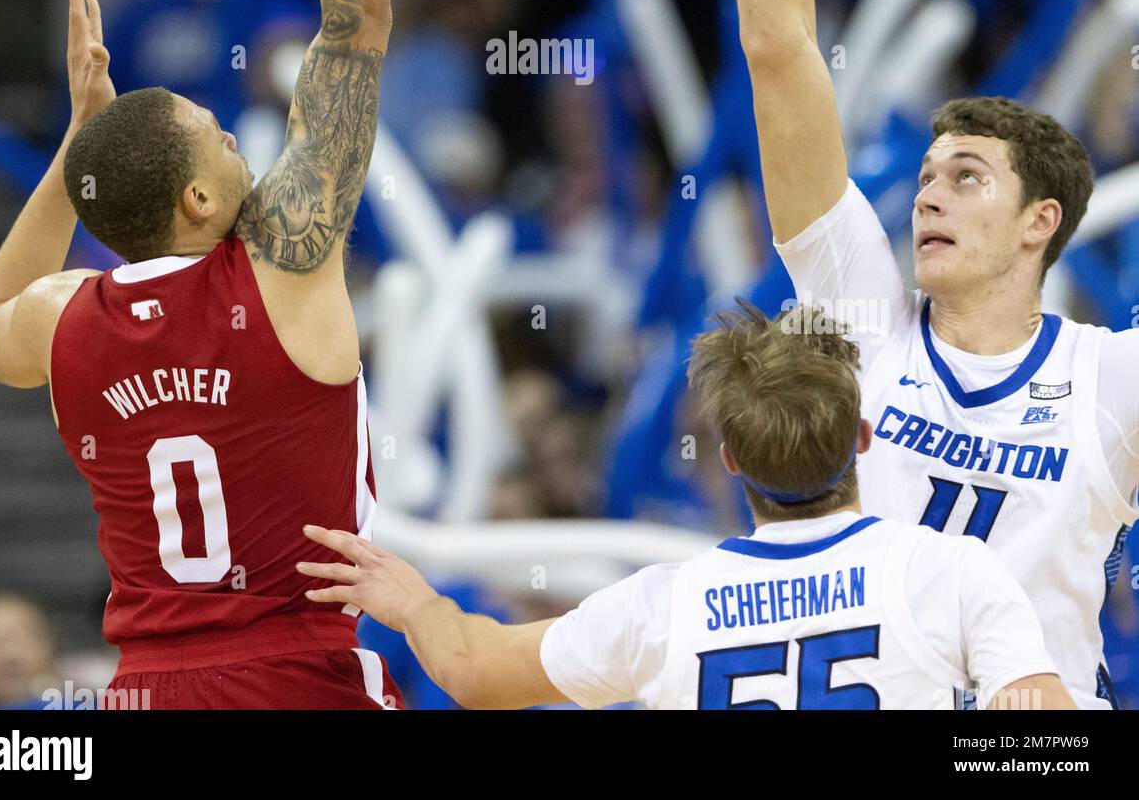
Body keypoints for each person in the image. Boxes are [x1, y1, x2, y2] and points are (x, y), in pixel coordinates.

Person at [680, 0, 1138, 708]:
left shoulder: (1107, 379)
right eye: (929, 172)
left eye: (966, 176)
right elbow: (780, 53)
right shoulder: (858, 321)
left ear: (1041, 223)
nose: (928, 189)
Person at [0, 0, 402, 710]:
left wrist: (74, 148)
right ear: (202, 197)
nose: (239, 131)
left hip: (148, 692)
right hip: (298, 678)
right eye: (220, 129)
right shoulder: (286, 266)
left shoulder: (69, 322)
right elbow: (354, 22)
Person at [295, 302, 1073, 710]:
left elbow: (472, 672)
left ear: (729, 459)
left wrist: (415, 600)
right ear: (863, 438)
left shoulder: (666, 605)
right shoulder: (949, 570)